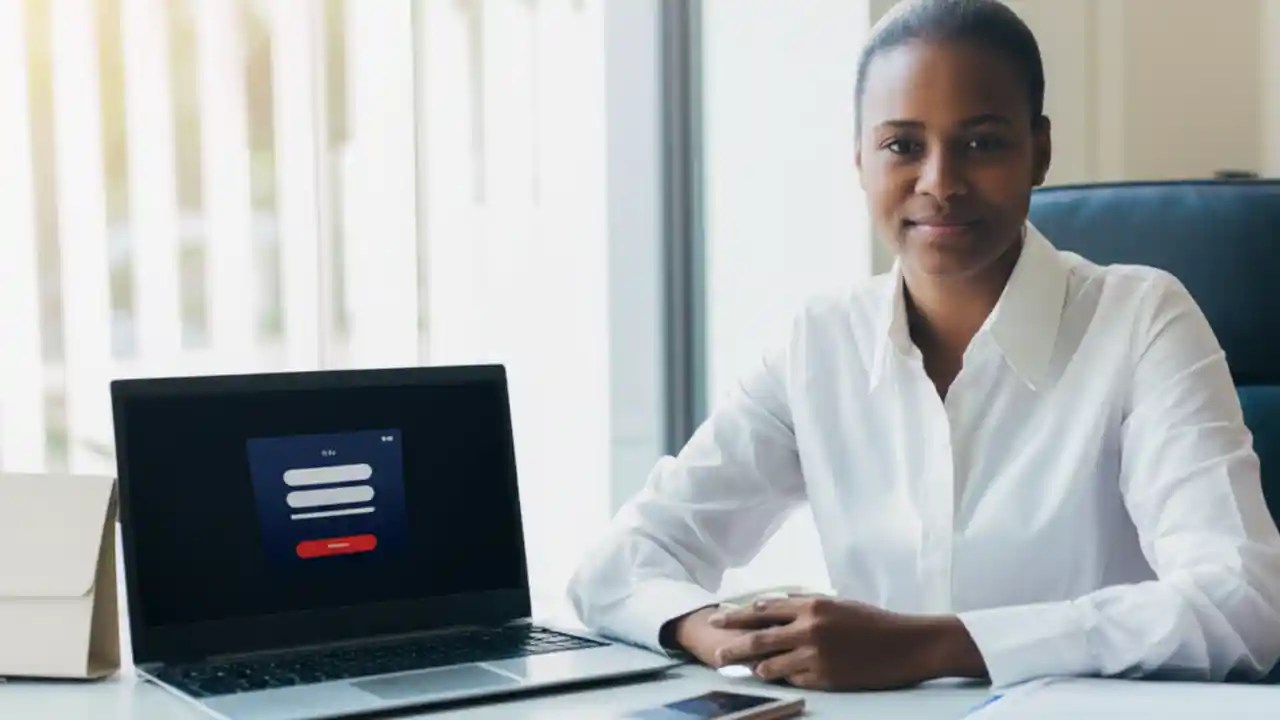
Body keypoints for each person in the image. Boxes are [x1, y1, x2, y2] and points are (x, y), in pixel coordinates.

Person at [567, 0, 1280, 692]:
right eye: (902, 145)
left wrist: (927, 645)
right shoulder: (821, 345)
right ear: (859, 161)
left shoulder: (1139, 318)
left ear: (1040, 151)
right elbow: (616, 567)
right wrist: (716, 633)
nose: (939, 182)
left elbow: (1242, 602)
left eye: (982, 143)